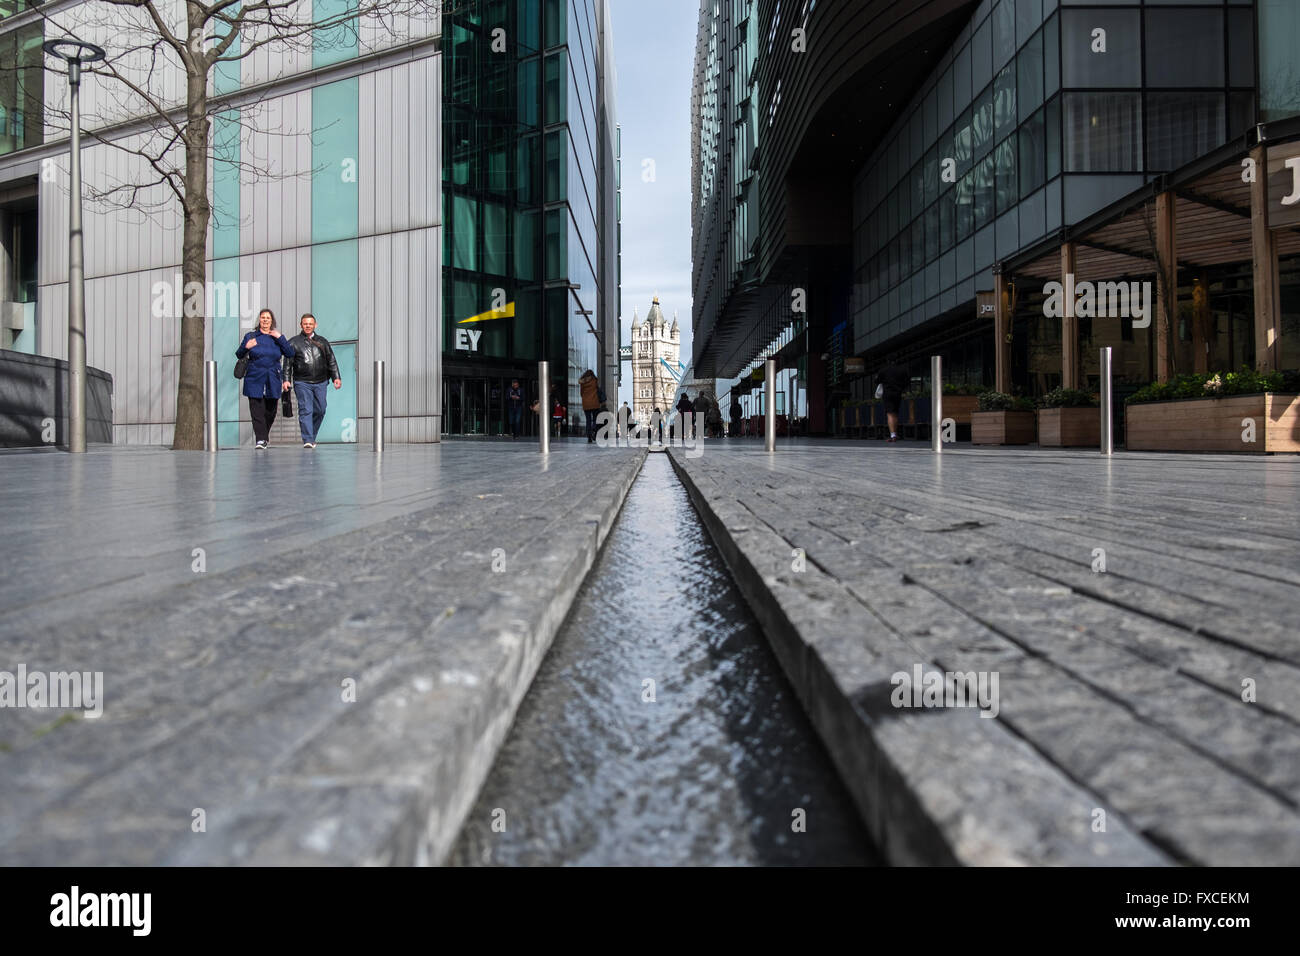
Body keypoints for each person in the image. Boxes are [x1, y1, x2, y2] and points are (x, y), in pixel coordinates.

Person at [237, 308, 296, 449]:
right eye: (263, 317)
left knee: (271, 411)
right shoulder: (251, 336)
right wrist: (246, 347)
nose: (265, 320)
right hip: (254, 378)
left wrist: (280, 337)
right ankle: (261, 439)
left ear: (272, 321)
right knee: (257, 411)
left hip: (273, 378)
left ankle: (264, 436)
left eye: (268, 318)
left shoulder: (276, 338)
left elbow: (289, 353)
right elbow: (239, 354)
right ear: (259, 320)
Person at [282, 313, 341, 448]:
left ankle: (311, 435)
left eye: (310, 323)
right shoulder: (293, 342)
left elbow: (331, 360)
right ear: (301, 325)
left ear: (315, 325)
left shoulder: (322, 341)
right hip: (302, 382)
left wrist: (336, 377)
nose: (308, 325)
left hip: (321, 381)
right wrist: (286, 379)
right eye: (305, 323)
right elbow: (287, 363)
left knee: (321, 409)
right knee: (306, 409)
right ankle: (308, 439)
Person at [877, 360, 912, 442]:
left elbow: (877, 380)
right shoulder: (902, 370)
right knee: (895, 413)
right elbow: (907, 381)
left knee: (890, 413)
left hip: (888, 394)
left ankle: (893, 435)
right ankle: (895, 433)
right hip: (898, 393)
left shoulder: (884, 370)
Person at [579, 368, 602, 443]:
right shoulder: (594, 381)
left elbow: (581, 393)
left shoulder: (582, 383)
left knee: (588, 420)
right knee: (595, 419)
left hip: (586, 404)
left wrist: (585, 398)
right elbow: (598, 389)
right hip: (594, 403)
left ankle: (589, 436)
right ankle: (593, 429)